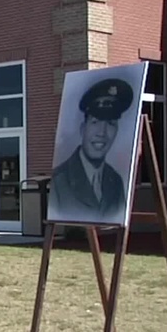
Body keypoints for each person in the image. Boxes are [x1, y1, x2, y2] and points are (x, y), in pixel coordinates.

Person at [50, 77, 134, 224]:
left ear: (117, 130)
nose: (102, 132)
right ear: (83, 129)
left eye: (110, 123)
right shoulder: (59, 180)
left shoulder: (116, 181)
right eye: (95, 122)